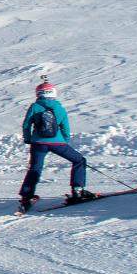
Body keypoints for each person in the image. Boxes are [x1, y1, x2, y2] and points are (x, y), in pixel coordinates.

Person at [19, 82, 92, 213]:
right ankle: (77, 190)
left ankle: (26, 196)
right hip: (58, 143)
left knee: (35, 168)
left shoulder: (34, 107)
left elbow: (26, 124)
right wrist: (64, 141)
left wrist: (28, 138)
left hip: (38, 143)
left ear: (38, 93)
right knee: (79, 160)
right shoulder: (60, 108)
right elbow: (65, 127)